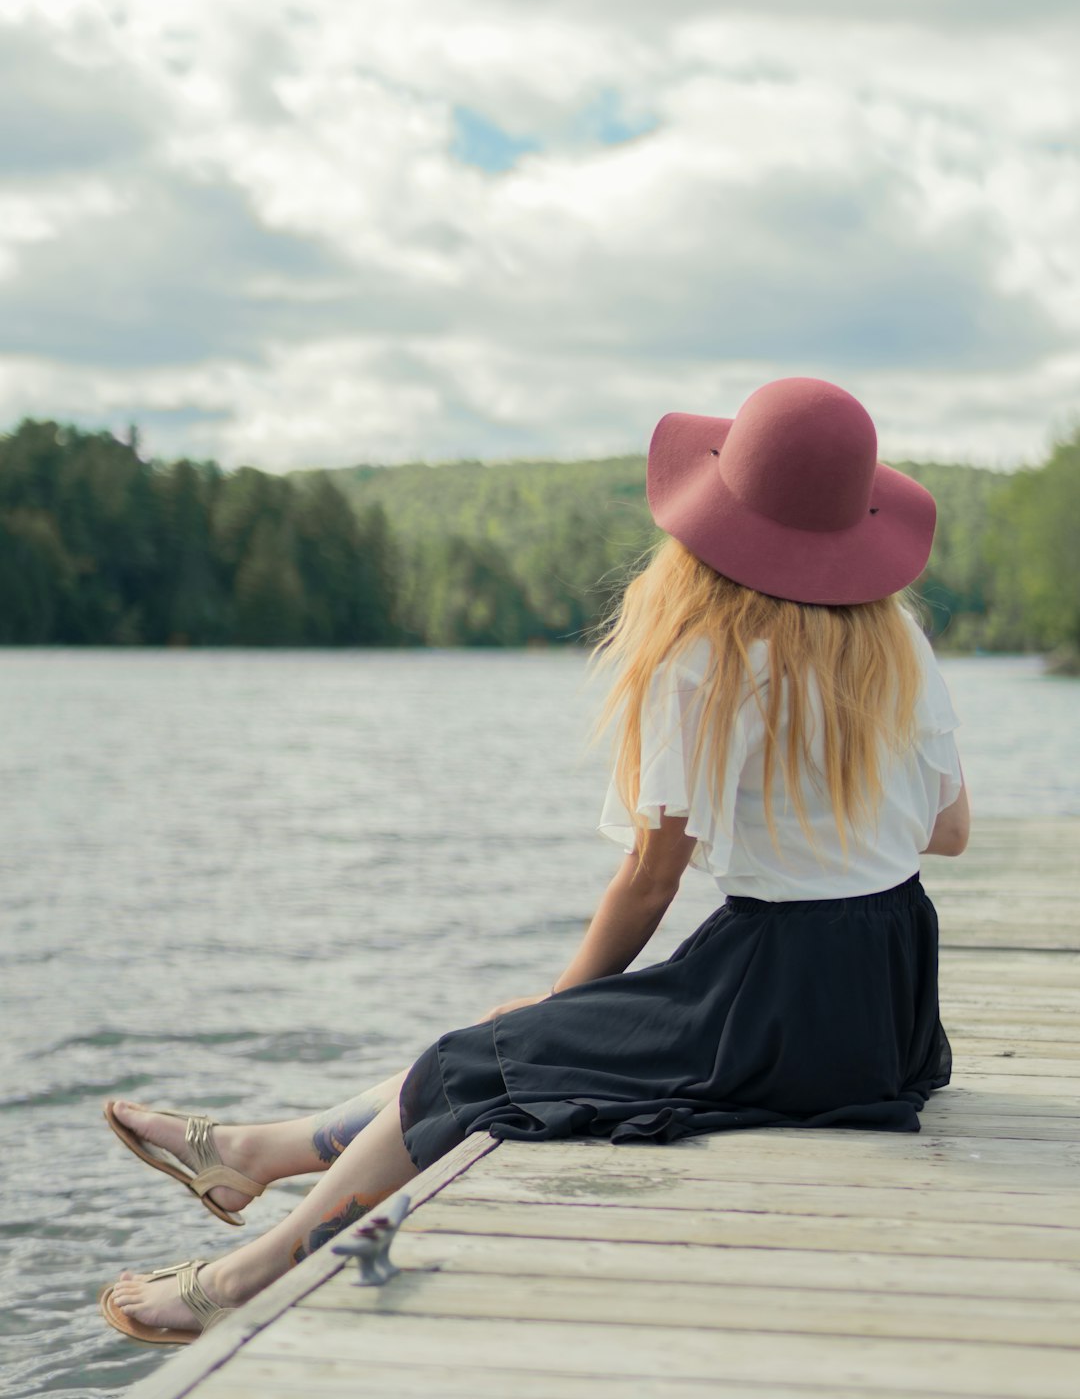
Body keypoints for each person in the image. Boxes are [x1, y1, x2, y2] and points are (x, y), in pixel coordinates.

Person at [100, 375, 968, 1345]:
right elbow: (949, 832)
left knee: (485, 1057)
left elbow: (650, 877)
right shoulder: (903, 648)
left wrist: (559, 1003)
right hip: (890, 1006)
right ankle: (256, 1152)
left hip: (773, 1002)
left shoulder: (706, 662)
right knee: (503, 1052)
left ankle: (253, 1270)